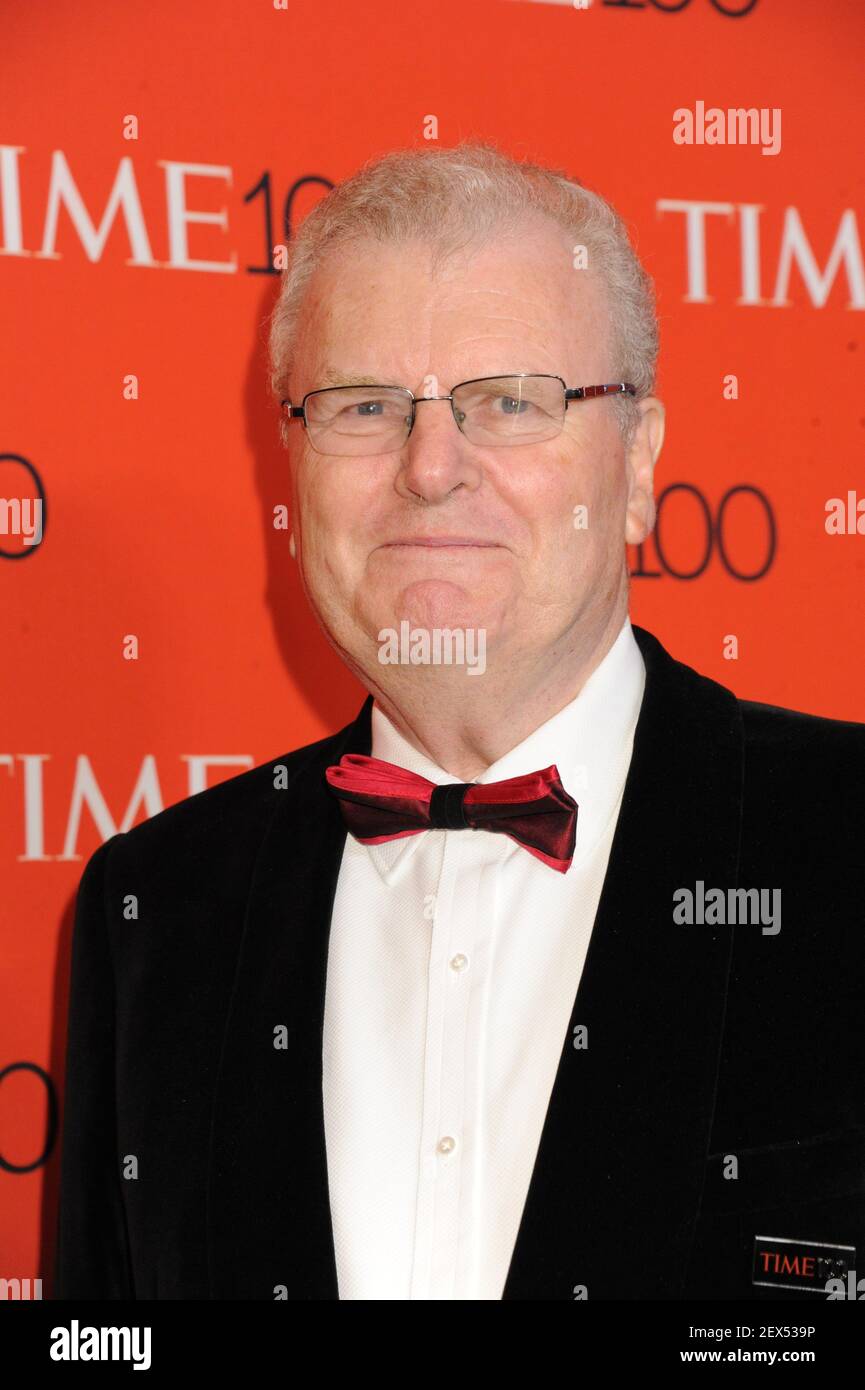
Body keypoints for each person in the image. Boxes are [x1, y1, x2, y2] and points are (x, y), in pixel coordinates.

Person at [55, 142, 865, 1301]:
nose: (431, 466)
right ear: (288, 464)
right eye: (365, 404)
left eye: (509, 401)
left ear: (637, 464)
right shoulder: (156, 914)